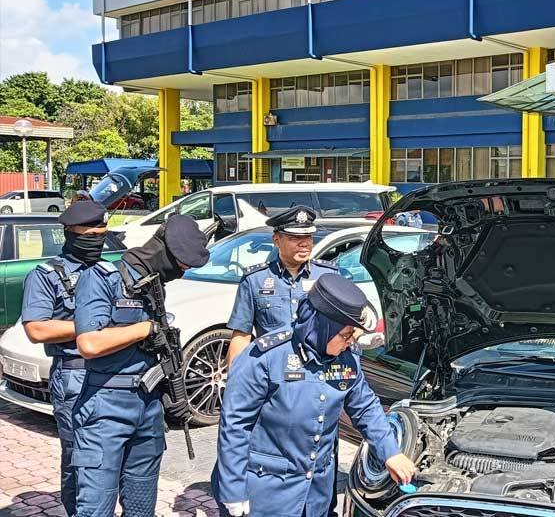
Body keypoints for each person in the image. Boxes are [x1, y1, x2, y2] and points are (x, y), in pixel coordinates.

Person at [211, 273, 417, 516]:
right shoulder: (265, 358)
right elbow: (235, 426)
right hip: (266, 491)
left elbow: (365, 407)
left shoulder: (346, 359)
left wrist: (390, 451)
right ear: (321, 325)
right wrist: (233, 491)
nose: (350, 341)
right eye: (345, 334)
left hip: (316, 495)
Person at [72, 215, 209, 516]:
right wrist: (145, 330)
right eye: (181, 266)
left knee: (141, 508)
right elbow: (89, 344)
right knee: (96, 508)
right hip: (105, 408)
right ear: (164, 253)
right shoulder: (103, 278)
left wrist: (175, 397)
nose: (182, 274)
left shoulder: (153, 289)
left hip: (147, 410)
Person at [20, 200, 109, 517]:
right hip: (74, 374)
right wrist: (92, 328)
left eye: (103, 231)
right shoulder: (46, 275)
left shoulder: (106, 271)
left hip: (110, 373)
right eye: (91, 232)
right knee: (79, 456)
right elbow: (37, 329)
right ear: (71, 233)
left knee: (108, 456)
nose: (98, 237)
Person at [226, 205, 343, 367]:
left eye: (308, 237)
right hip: (271, 371)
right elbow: (241, 336)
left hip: (317, 371)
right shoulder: (255, 280)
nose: (304, 244)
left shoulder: (328, 277)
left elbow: (347, 329)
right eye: (294, 238)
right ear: (276, 240)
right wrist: (234, 381)